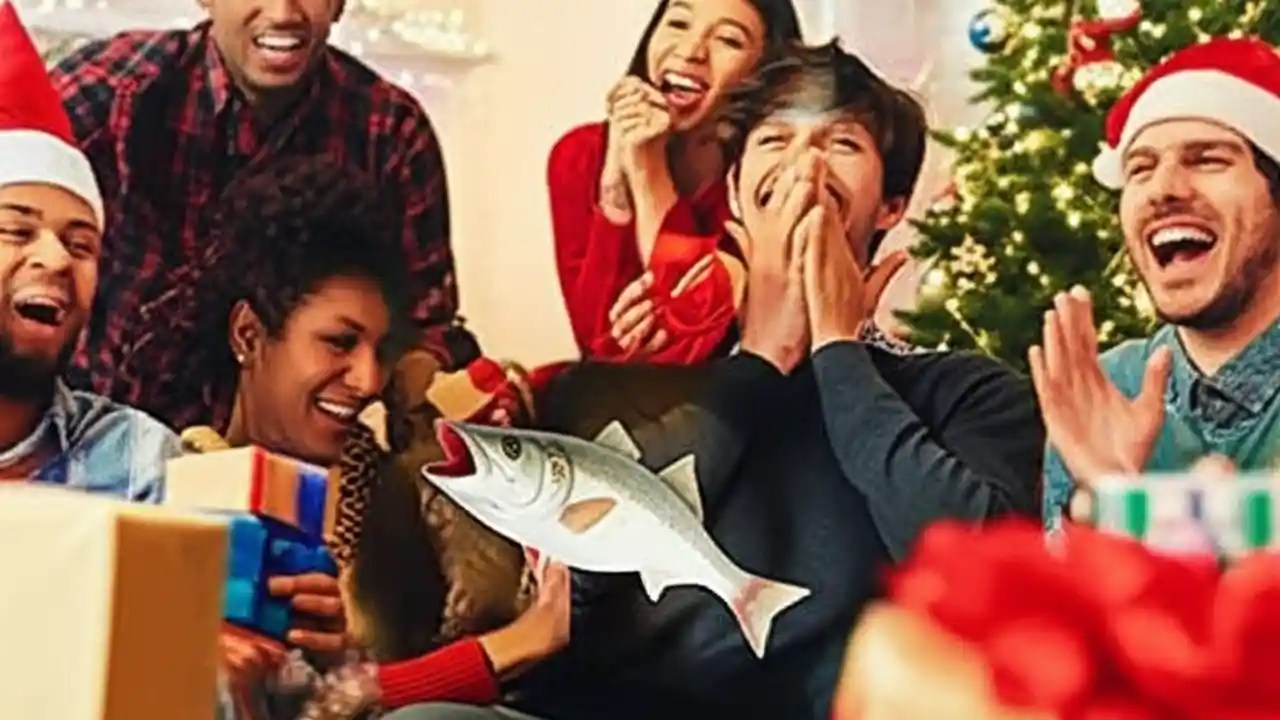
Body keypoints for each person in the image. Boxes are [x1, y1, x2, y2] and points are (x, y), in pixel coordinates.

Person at [399, 41, 1044, 720]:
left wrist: (839, 352)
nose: (805, 162)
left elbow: (984, 566)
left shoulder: (965, 392)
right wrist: (761, 358)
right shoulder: (642, 389)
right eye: (776, 138)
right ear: (736, 192)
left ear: (891, 204)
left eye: (841, 142)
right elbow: (587, 587)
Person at [0, 5, 345, 718]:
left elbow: (240, 677)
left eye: (82, 244)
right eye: (14, 230)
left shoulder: (141, 463)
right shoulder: (121, 88)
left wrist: (291, 659)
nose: (54, 260)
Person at [150, 156, 572, 712]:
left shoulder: (421, 480)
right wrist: (510, 648)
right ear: (248, 335)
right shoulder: (172, 492)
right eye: (339, 343)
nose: (369, 379)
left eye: (381, 349)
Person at [49, 0, 478, 430]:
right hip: (90, 445)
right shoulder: (108, 97)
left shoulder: (390, 134)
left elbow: (427, 326)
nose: (282, 12)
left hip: (299, 461)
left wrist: (422, 387)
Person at [1034, 37, 1280, 530]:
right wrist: (1099, 495)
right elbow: (1067, 603)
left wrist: (1134, 510)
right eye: (1140, 168)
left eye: (1208, 159)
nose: (1163, 189)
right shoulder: (1103, 386)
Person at [548, 0, 801, 364]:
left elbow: (694, 340)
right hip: (606, 398)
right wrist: (616, 191)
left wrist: (647, 166)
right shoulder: (578, 155)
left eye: (728, 40)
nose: (690, 51)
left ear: (764, 72)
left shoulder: (767, 179)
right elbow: (600, 343)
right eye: (679, 23)